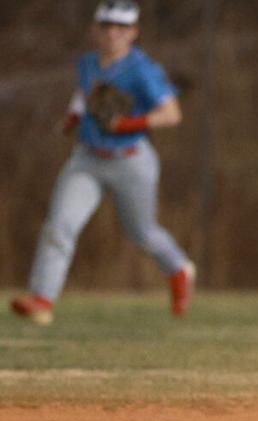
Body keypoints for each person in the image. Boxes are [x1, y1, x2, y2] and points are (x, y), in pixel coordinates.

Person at [10, 0, 195, 326]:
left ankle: (179, 268)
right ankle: (41, 301)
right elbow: (85, 96)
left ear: (133, 32)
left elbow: (171, 114)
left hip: (131, 159)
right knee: (60, 225)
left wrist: (129, 124)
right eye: (107, 25)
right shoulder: (88, 63)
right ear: (94, 29)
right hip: (88, 158)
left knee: (142, 233)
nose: (113, 33)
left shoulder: (142, 69)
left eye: (121, 27)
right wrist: (73, 117)